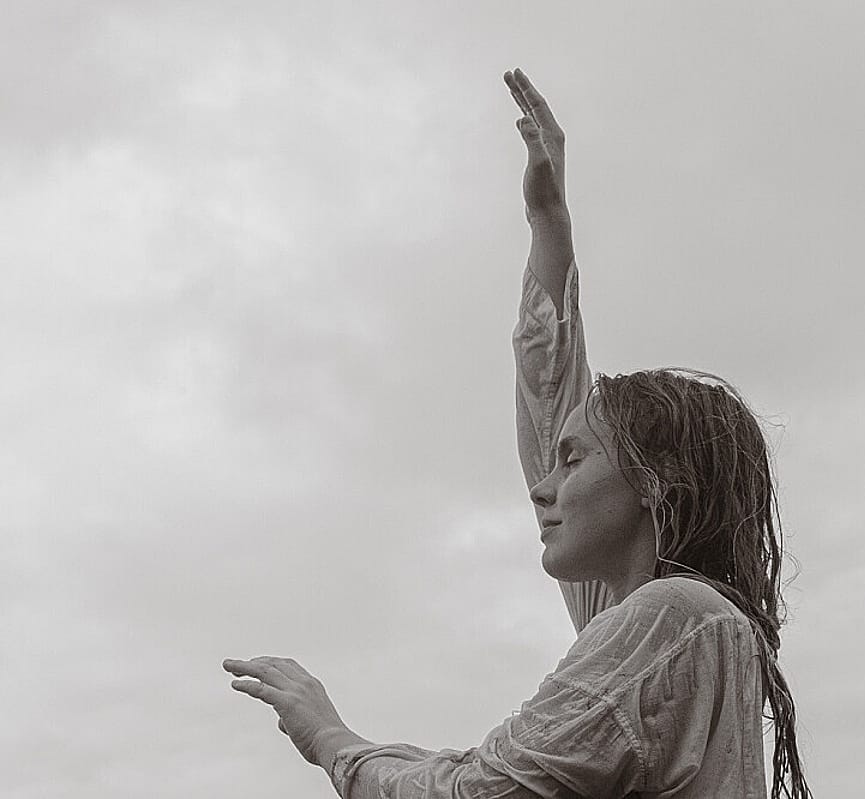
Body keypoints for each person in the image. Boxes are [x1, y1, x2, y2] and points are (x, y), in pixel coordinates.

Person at [223, 68, 812, 799]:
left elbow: (476, 791)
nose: (542, 487)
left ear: (654, 482)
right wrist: (549, 229)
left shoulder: (674, 616)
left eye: (573, 462)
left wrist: (332, 741)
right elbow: (550, 404)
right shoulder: (662, 618)